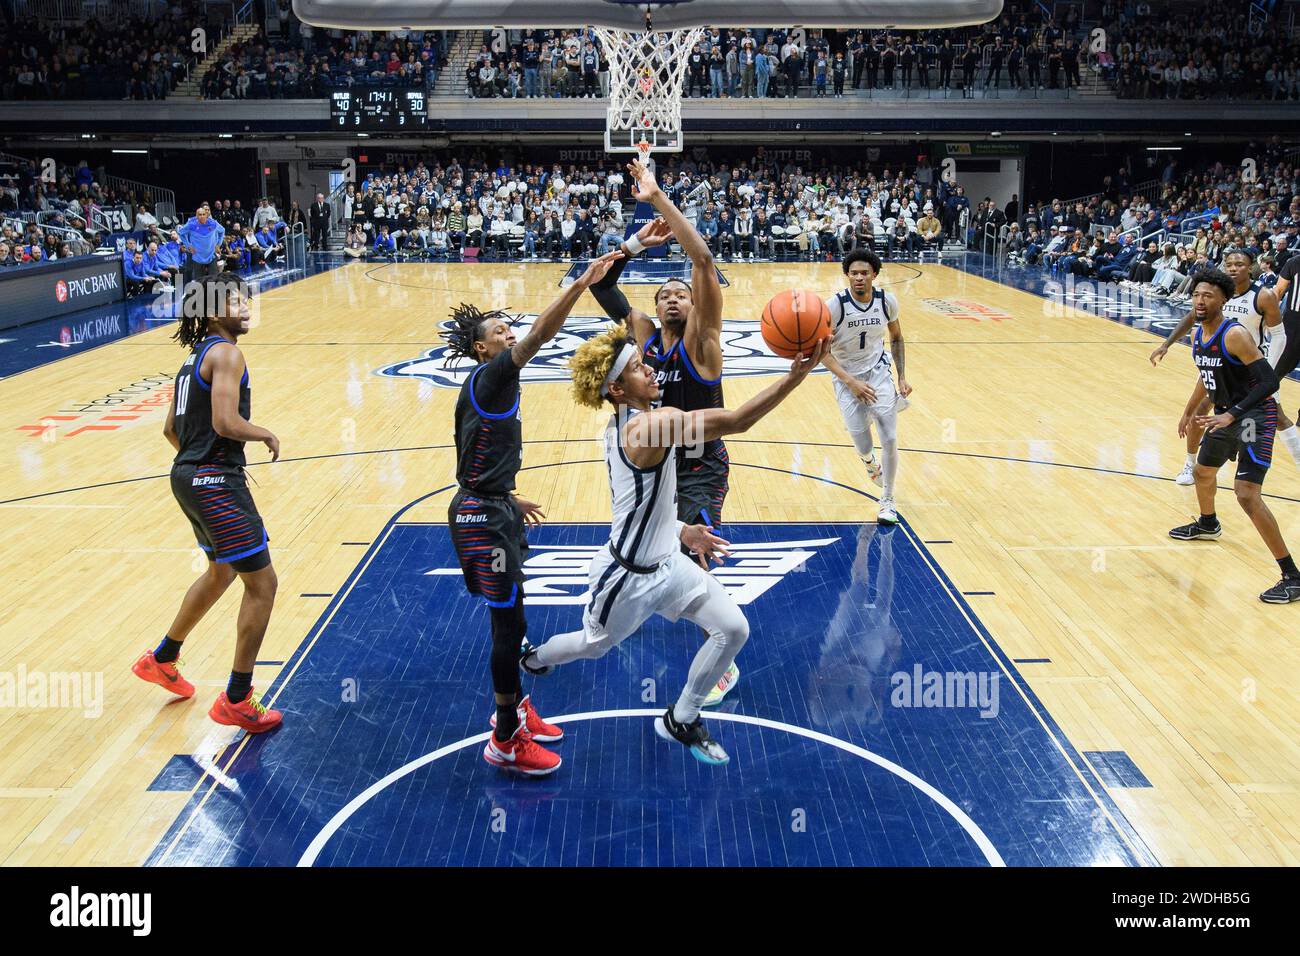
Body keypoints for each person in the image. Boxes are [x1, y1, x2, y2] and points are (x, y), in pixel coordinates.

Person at [521, 324, 826, 764]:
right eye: (639, 367)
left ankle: (681, 717)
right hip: (627, 576)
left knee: (733, 628)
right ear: (617, 388)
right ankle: (534, 659)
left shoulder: (628, 422)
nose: (651, 369)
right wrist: (793, 378)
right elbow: (736, 421)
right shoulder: (649, 427)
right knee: (593, 645)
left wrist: (682, 530)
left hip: (667, 561)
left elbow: (645, 499)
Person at [444, 251, 624, 775]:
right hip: (480, 517)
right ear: (482, 347)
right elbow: (541, 334)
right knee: (508, 627)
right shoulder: (493, 376)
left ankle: (519, 709)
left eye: (507, 329)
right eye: (499, 331)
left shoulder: (491, 385)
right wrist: (580, 284)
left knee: (515, 622)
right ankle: (505, 738)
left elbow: (469, 447)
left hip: (489, 505)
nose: (508, 334)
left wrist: (504, 494)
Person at [584, 159, 741, 706]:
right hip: (647, 463)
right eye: (664, 294)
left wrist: (658, 199)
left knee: (696, 543)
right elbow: (597, 280)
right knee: (639, 546)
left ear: (695, 303)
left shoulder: (704, 341)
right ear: (653, 308)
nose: (674, 296)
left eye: (682, 292)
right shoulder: (642, 339)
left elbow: (701, 258)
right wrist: (632, 247)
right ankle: (631, 603)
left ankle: (720, 655)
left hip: (697, 465)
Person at [131, 274, 284, 731]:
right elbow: (224, 421)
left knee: (220, 571)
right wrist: (265, 433)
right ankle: (238, 698)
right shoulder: (227, 353)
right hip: (215, 481)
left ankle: (163, 657)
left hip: (188, 477)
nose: (246, 305)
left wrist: (194, 468)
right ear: (213, 311)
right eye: (236, 300)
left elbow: (169, 431)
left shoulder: (193, 359)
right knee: (263, 585)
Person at [1168, 270, 1299, 604]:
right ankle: (1208, 523)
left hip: (1254, 416)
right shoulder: (1199, 335)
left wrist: (1231, 414)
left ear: (1224, 300)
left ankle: (1292, 576)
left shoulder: (1235, 335)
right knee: (1202, 471)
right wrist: (1190, 410)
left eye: (1208, 295)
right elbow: (1209, 376)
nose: (1200, 300)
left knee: (1246, 494)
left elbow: (1269, 384)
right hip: (1226, 412)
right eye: (1197, 294)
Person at [1150, 250, 1296, 480]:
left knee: (1276, 417)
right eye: (1228, 264)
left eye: (1239, 264)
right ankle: (1190, 464)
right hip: (1219, 363)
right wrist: (1167, 344)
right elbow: (1191, 317)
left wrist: (1270, 371)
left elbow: (1279, 336)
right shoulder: (1214, 293)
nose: (1232, 268)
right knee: (1198, 412)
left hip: (1249, 369)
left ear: (1250, 267)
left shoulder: (1263, 296)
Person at [820, 250, 913, 524]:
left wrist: (902, 377)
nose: (859, 277)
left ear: (875, 274)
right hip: (846, 378)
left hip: (878, 372)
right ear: (846, 275)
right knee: (863, 442)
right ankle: (869, 461)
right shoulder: (834, 306)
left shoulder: (887, 302)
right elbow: (822, 352)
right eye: (854, 273)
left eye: (864, 273)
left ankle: (888, 499)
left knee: (891, 437)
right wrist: (850, 382)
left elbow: (896, 338)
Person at [177, 204, 225, 285]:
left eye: (203, 214)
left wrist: (218, 244)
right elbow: (181, 233)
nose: (202, 216)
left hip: (211, 255)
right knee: (199, 281)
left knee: (213, 279)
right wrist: (188, 245)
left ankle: (214, 296)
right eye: (199, 214)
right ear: (196, 216)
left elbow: (222, 231)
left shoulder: (213, 223)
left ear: (207, 215)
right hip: (197, 256)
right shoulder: (191, 224)